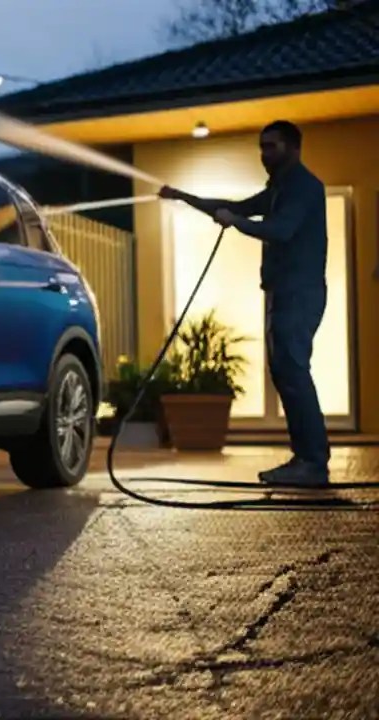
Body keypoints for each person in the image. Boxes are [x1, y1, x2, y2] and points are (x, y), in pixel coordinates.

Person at [158, 120, 330, 487]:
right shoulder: (279, 188)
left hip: (298, 294)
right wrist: (184, 197)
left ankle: (313, 462)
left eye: (272, 146)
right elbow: (235, 207)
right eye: (262, 147)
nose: (265, 154)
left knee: (294, 375)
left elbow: (280, 230)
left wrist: (235, 221)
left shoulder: (304, 187)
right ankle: (305, 459)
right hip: (284, 293)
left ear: (294, 148)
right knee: (286, 375)